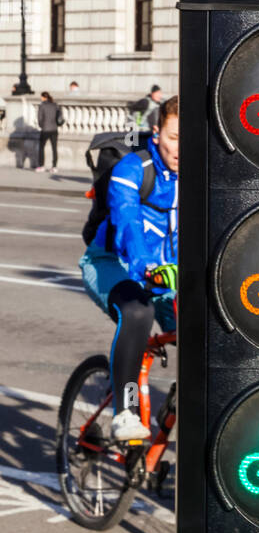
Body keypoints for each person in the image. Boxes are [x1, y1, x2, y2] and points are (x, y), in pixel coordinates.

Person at [79, 95, 179, 442]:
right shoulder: (133, 168)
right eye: (173, 138)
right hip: (112, 264)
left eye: (188, 139)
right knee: (138, 311)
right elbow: (127, 222)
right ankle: (126, 410)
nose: (180, 149)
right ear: (156, 133)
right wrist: (147, 265)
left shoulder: (201, 176)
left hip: (170, 275)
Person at [35, 90, 63, 174]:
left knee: (41, 148)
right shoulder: (55, 105)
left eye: (41, 97)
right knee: (54, 148)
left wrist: (42, 126)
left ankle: (41, 166)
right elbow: (59, 116)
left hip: (45, 129)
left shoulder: (42, 106)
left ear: (43, 97)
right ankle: (54, 167)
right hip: (54, 129)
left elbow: (40, 119)